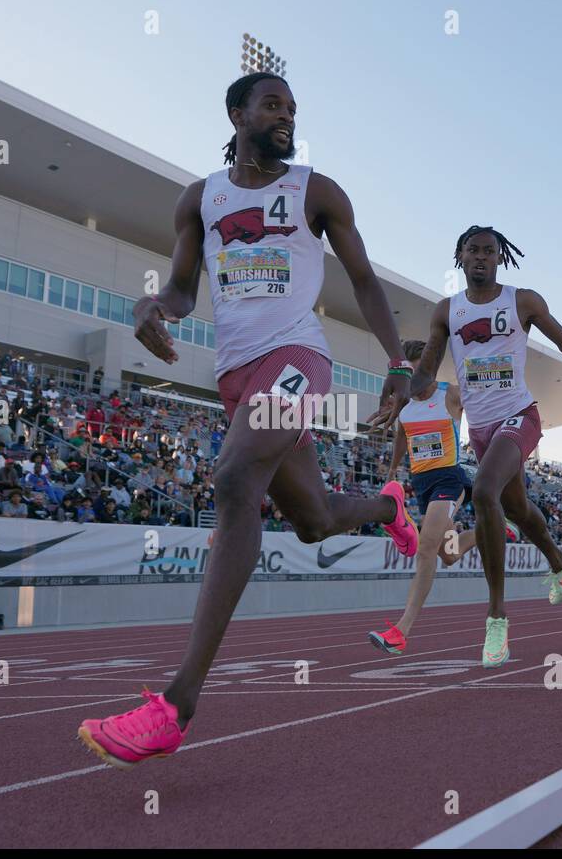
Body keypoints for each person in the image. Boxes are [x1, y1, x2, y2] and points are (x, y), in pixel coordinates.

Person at [78, 71, 418, 769]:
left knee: (235, 483)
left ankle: (175, 706)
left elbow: (363, 280)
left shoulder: (317, 192)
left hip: (296, 356)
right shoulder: (200, 199)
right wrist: (152, 308)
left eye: (293, 106)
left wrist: (396, 361)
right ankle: (389, 509)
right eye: (272, 104)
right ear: (237, 114)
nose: (286, 115)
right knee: (315, 519)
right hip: (234, 375)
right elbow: (180, 287)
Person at [408, 225, 562, 666]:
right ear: (459, 257)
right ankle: (558, 560)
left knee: (483, 492)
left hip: (520, 416)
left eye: (489, 250)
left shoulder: (523, 301)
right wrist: (399, 391)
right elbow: (425, 369)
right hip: (479, 430)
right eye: (472, 250)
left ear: (500, 258)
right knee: (516, 509)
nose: (480, 256)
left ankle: (496, 618)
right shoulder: (447, 311)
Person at [368, 339, 479, 655]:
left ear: (428, 370)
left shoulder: (452, 394)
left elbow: (485, 411)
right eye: (406, 376)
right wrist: (392, 471)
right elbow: (402, 436)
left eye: (416, 373)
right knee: (449, 554)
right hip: (421, 484)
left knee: (426, 547)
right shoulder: (405, 406)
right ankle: (492, 531)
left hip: (450, 478)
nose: (410, 382)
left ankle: (401, 631)